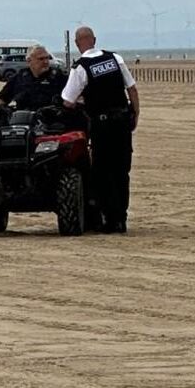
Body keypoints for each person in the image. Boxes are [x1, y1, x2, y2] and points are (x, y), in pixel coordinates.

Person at [61, 26, 140, 234]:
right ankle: (121, 219)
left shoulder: (80, 67)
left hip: (101, 125)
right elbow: (132, 88)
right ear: (94, 39)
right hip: (122, 122)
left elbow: (67, 101)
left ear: (78, 44)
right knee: (122, 172)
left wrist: (84, 100)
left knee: (103, 172)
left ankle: (108, 219)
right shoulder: (115, 58)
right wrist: (135, 114)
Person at [0, 45, 67, 111]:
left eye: (47, 58)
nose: (46, 62)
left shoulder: (58, 77)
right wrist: (3, 108)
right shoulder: (20, 77)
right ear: (29, 61)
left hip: (51, 122)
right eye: (41, 59)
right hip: (23, 121)